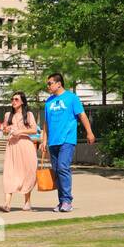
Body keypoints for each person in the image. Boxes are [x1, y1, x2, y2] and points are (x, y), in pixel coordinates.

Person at [39, 73, 95, 213]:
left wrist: (89, 132)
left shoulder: (72, 98)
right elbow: (46, 123)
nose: (48, 86)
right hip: (53, 141)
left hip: (67, 140)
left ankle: (67, 201)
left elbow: (82, 115)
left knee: (63, 167)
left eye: (50, 83)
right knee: (57, 170)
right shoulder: (49, 102)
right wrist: (44, 140)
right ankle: (61, 201)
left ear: (59, 84)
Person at [0, 91, 39, 212]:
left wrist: (20, 131)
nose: (13, 101)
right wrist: (6, 129)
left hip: (25, 145)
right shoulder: (8, 115)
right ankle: (7, 204)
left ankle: (27, 202)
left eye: (16, 99)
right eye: (12, 99)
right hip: (12, 146)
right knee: (9, 173)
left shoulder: (29, 114)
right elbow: (4, 130)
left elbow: (34, 130)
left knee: (27, 173)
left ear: (22, 101)